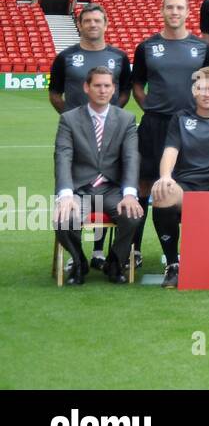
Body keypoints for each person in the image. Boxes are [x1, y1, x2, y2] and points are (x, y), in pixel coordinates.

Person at [131, 0, 209, 266]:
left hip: (191, 126)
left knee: (184, 184)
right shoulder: (147, 47)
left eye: (179, 8)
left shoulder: (201, 48)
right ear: (162, 11)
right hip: (155, 124)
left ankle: (181, 252)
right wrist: (151, 107)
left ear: (187, 12)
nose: (174, 12)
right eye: (170, 7)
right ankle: (135, 248)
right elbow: (137, 85)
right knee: (145, 182)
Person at [151, 67, 209, 289]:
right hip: (187, 188)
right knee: (163, 194)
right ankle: (173, 265)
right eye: (201, 89)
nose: (207, 94)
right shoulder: (181, 118)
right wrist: (165, 176)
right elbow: (170, 151)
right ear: (194, 91)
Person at [53, 66, 144, 285]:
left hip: (111, 189)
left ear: (114, 89)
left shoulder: (126, 119)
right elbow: (63, 156)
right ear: (87, 87)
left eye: (107, 86)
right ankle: (79, 262)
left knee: (133, 216)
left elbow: (131, 157)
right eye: (97, 85)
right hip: (80, 189)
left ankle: (115, 262)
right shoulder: (69, 119)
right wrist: (65, 195)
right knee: (63, 220)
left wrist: (130, 193)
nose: (102, 90)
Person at [49, 3, 130, 113]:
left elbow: (125, 92)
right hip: (75, 127)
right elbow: (54, 94)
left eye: (97, 20)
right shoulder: (64, 57)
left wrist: (111, 114)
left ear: (106, 24)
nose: (92, 25)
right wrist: (71, 118)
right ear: (79, 25)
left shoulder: (120, 56)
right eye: (87, 21)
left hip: (109, 126)